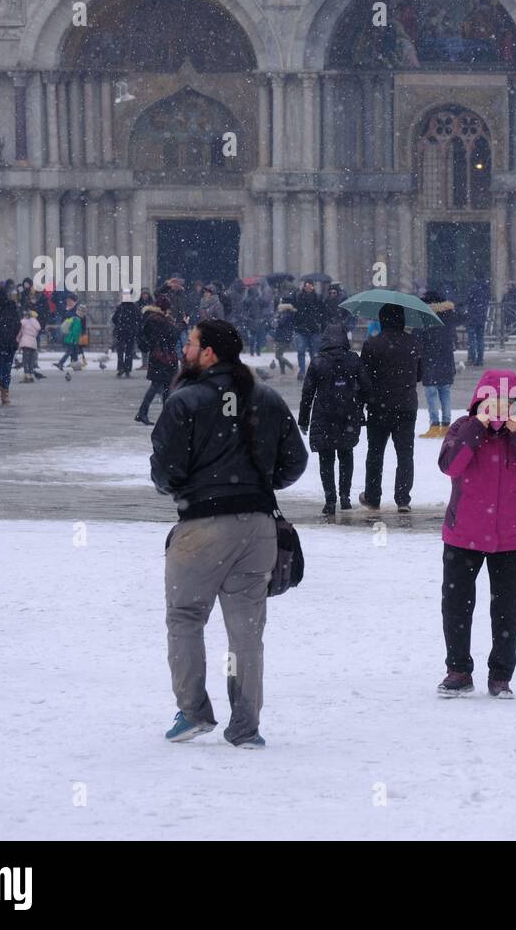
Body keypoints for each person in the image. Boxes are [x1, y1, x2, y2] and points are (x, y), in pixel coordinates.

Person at [151, 319, 309, 749]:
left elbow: (164, 472)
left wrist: (195, 486)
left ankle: (193, 711)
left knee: (185, 617)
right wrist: (253, 483)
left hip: (201, 524)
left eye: (191, 343)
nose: (185, 348)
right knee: (246, 632)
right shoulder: (268, 398)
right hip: (257, 527)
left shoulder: (185, 401)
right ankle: (245, 726)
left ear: (209, 353)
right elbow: (295, 462)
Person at [436, 369, 516, 699]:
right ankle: (458, 670)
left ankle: (501, 675)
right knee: (456, 604)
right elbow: (450, 465)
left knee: (507, 608)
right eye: (494, 403)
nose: (501, 410)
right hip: (463, 534)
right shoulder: (463, 428)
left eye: (509, 404)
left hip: (511, 537)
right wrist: (477, 427)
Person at [359, 303, 423, 513]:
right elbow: (420, 375)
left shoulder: (372, 344)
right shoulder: (413, 343)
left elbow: (363, 377)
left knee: (375, 454)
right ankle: (403, 498)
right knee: (405, 454)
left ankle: (373, 496)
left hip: (379, 407)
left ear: (382, 319)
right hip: (406, 406)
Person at [298, 323, 365, 515]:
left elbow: (307, 393)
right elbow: (366, 387)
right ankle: (345, 497)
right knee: (346, 454)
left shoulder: (318, 361)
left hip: (323, 415)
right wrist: (360, 407)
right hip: (348, 415)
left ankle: (330, 500)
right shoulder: (353, 360)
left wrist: (304, 419)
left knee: (326, 458)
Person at [418, 290, 459, 439]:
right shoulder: (449, 315)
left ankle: (435, 425)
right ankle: (447, 425)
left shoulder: (424, 316)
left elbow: (418, 337)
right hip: (446, 357)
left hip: (429, 358)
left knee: (431, 392)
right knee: (445, 391)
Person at [135, 295, 179, 424]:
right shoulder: (157, 320)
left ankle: (163, 415)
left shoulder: (154, 317)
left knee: (165, 387)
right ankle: (143, 413)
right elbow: (172, 336)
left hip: (160, 356)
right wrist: (182, 324)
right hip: (162, 357)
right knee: (158, 386)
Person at [292, 279, 327, 377]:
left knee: (314, 352)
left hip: (313, 329)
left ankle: (314, 372)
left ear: (313, 287)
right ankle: (302, 371)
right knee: (301, 351)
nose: (308, 288)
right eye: (307, 286)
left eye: (310, 286)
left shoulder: (318, 298)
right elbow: (293, 310)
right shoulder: (298, 297)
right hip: (301, 329)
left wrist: (320, 323)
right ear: (304, 286)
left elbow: (322, 313)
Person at [111, 290, 141, 378]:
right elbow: (139, 318)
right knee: (129, 351)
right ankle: (127, 369)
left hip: (121, 332)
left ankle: (120, 368)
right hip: (130, 332)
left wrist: (120, 325)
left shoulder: (121, 307)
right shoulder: (134, 307)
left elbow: (114, 319)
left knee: (120, 351)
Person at [463, 279, 490, 367]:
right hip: (481, 317)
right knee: (480, 339)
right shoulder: (485, 289)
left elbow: (467, 300)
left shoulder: (473, 288)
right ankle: (480, 359)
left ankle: (472, 358)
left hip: (473, 317)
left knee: (472, 339)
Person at [271, 298, 297, 374]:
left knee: (278, 356)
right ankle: (282, 371)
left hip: (282, 337)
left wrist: (277, 319)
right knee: (280, 355)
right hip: (283, 336)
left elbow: (280, 323)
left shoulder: (286, 314)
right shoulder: (288, 313)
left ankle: (292, 367)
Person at [17, 308, 42, 383]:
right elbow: (38, 330)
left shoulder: (23, 322)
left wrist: (17, 339)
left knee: (25, 360)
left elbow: (20, 332)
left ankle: (27, 375)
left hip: (25, 342)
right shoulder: (36, 322)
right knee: (31, 360)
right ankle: (31, 375)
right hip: (33, 342)